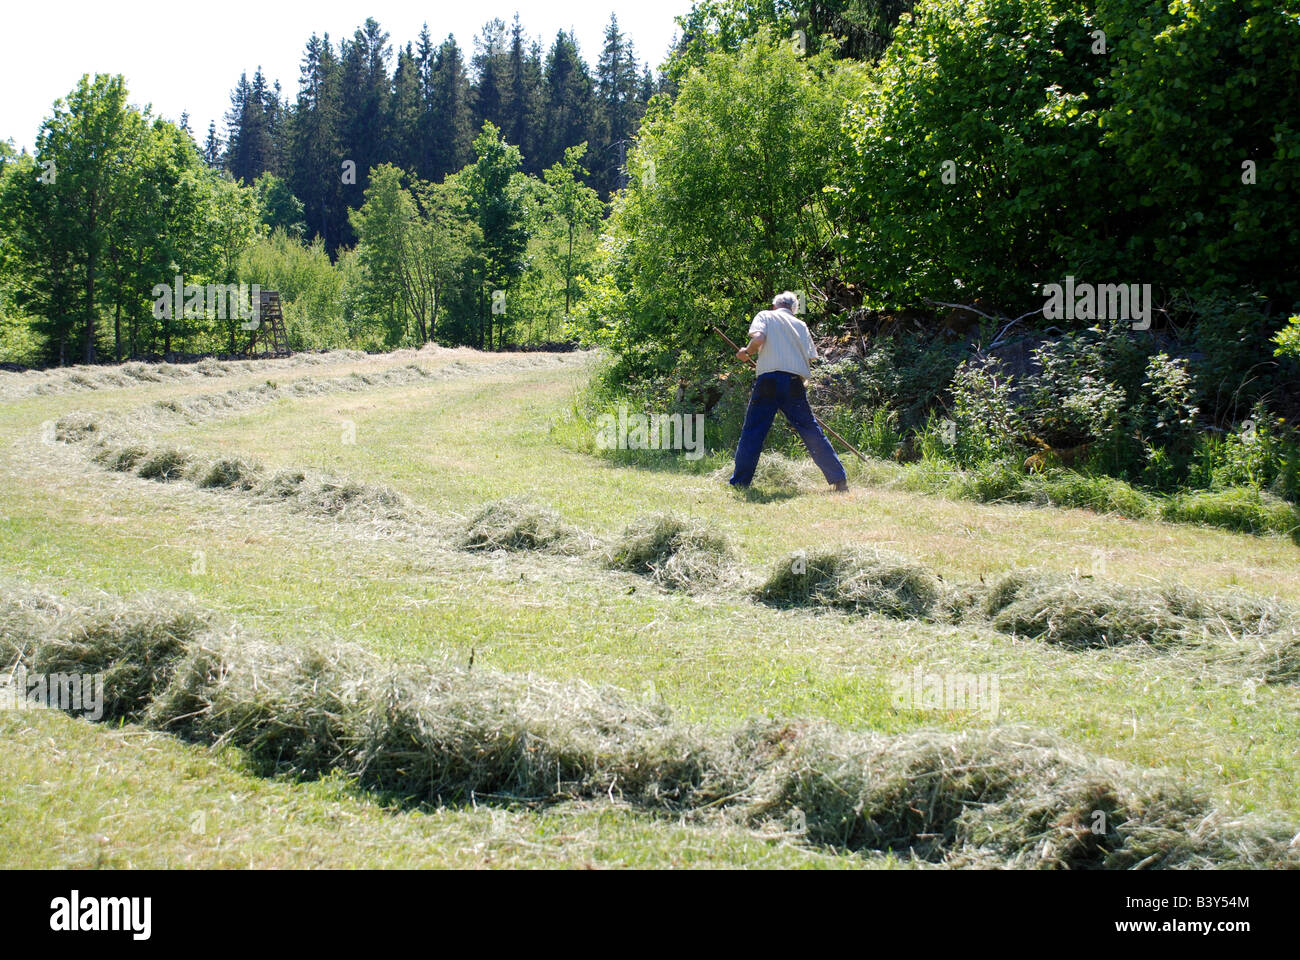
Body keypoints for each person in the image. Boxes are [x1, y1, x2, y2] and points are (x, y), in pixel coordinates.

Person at [729, 292, 848, 491]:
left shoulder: (766, 315)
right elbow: (811, 358)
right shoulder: (801, 325)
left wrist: (746, 352)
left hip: (768, 381)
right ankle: (839, 480)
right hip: (794, 383)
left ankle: (740, 483)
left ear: (775, 305)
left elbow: (758, 338)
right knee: (810, 430)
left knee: (753, 432)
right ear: (793, 308)